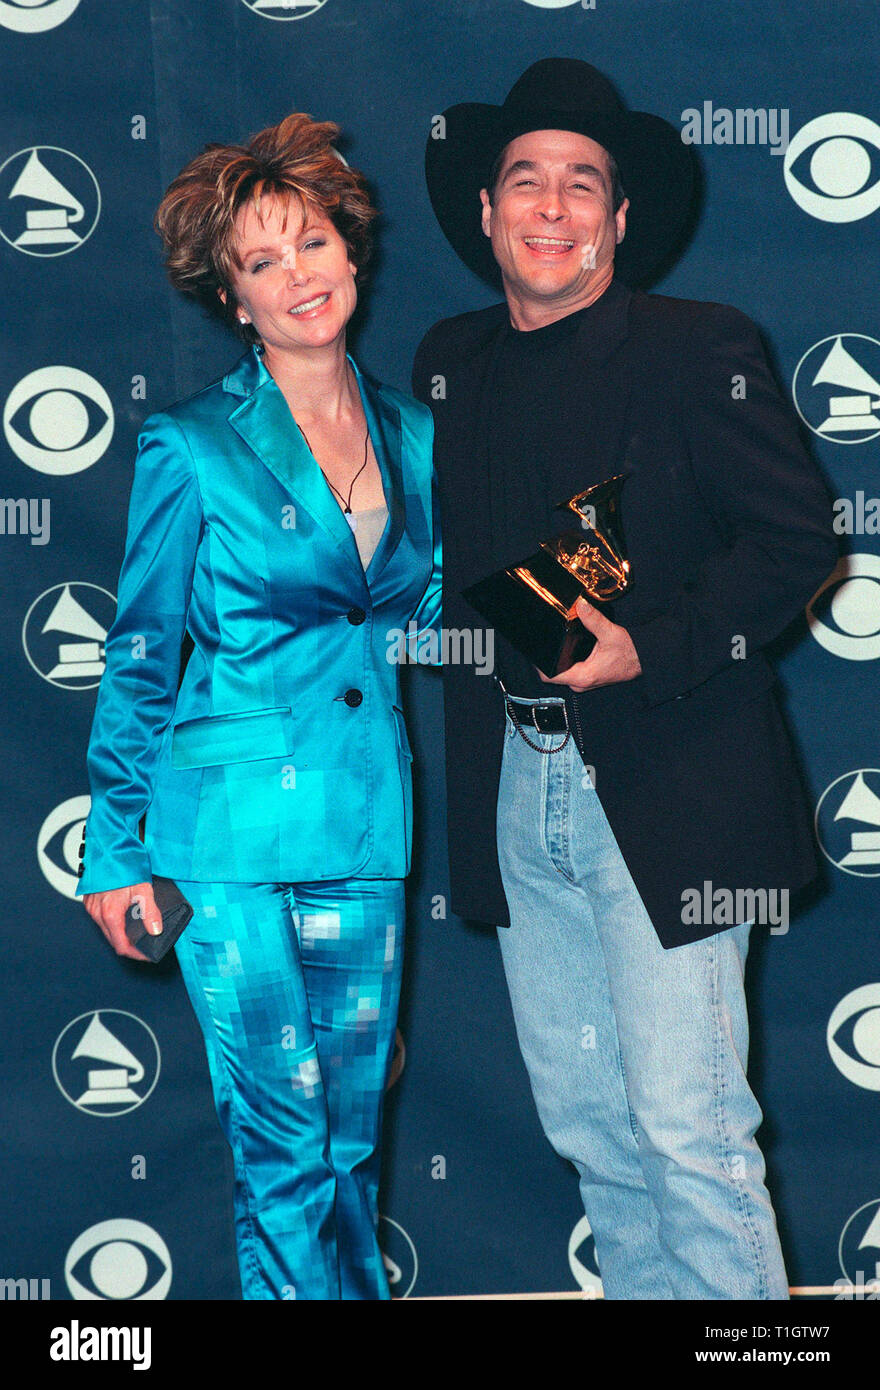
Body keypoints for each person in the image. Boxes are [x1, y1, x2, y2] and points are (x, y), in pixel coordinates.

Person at [413, 58, 837, 1300]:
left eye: (581, 185)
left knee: (688, 1133)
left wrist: (655, 641)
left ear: (620, 217)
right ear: (486, 213)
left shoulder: (699, 345)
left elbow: (797, 539)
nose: (552, 209)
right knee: (593, 1131)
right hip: (516, 779)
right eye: (525, 183)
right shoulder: (451, 359)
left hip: (671, 784)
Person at [77, 112, 440, 1300]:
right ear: (231, 298)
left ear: (353, 254)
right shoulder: (188, 443)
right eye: (263, 261)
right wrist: (114, 850)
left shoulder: (418, 436)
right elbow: (138, 653)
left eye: (314, 244)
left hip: (365, 821)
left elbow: (421, 613)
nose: (299, 277)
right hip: (227, 837)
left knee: (346, 1146)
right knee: (283, 1146)